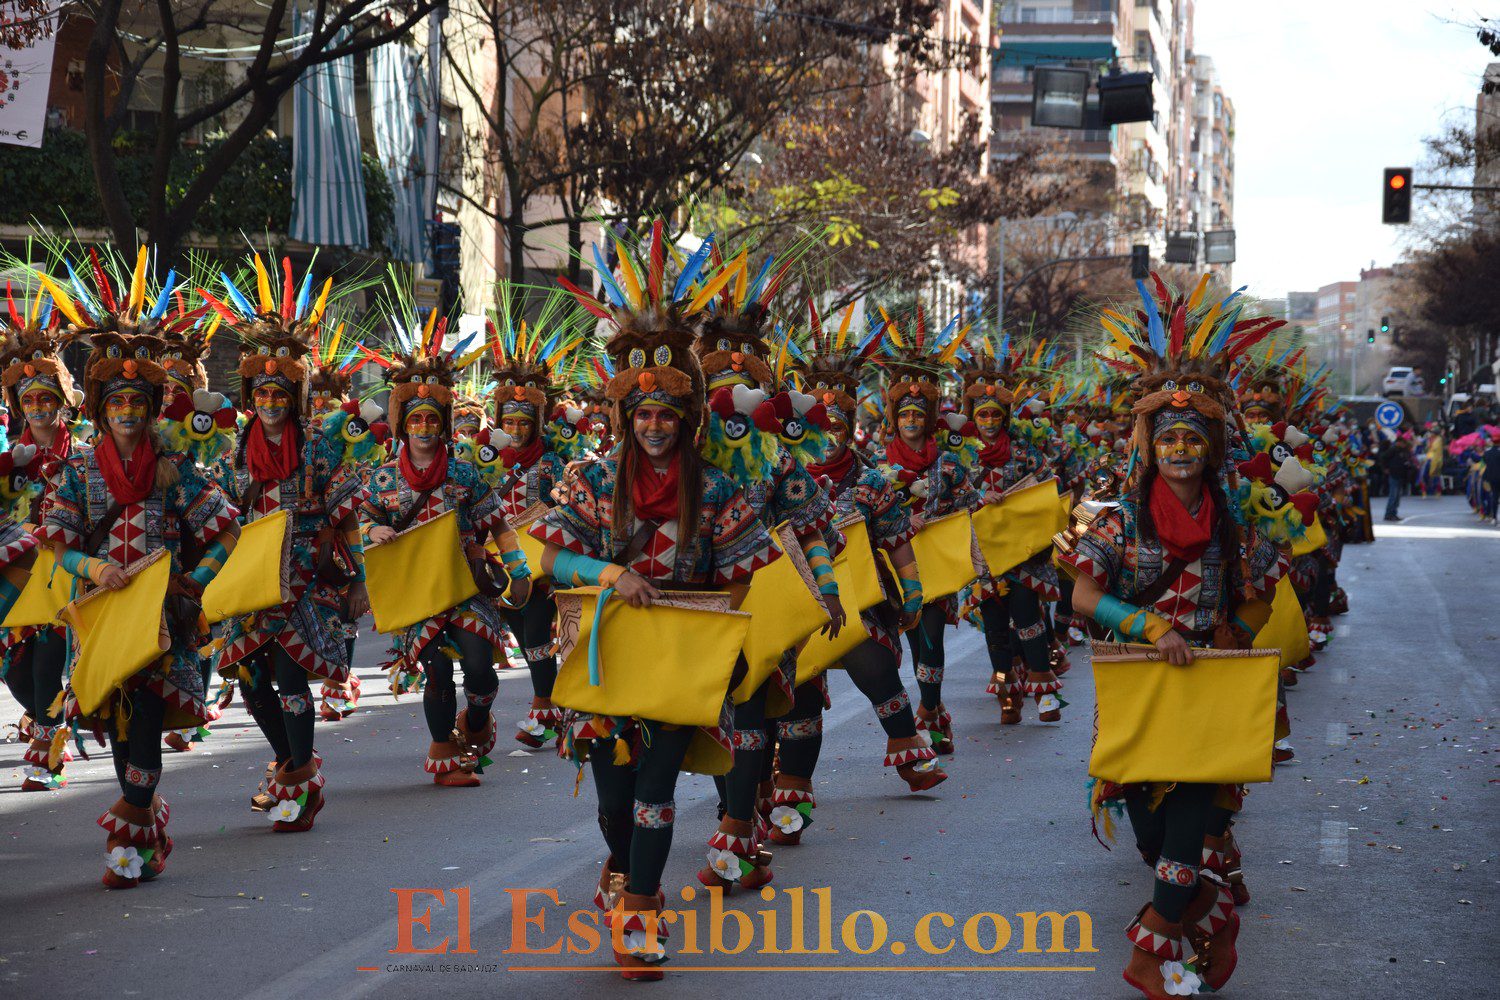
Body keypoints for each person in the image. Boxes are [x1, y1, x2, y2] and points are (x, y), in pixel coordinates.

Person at [545, 224, 777, 979]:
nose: (653, 426)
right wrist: (614, 576)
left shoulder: (718, 488)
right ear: (624, 418)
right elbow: (544, 554)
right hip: (607, 654)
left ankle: (640, 911)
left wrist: (719, 634)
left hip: (680, 661)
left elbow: (746, 570)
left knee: (655, 788)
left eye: (666, 416)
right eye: (641, 415)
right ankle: (626, 871)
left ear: (687, 419)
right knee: (614, 800)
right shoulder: (587, 480)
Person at [1060, 274, 1286, 997]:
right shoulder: (1120, 519)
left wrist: (1229, 634)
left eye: (1193, 437)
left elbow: (1263, 591)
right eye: (1170, 438)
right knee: (1155, 840)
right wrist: (1152, 627)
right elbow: (1084, 591)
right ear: (1150, 447)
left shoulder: (1237, 522)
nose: (1181, 449)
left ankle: (1148, 958)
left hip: (1209, 690)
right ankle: (1212, 919)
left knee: (1187, 832)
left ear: (1212, 446)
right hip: (1138, 687)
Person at [37, 258, 240, 889]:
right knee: (116, 722)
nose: (127, 410)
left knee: (146, 717)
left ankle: (129, 834)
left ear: (152, 409)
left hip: (161, 616)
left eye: (137, 401)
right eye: (117, 400)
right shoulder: (78, 472)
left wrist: (197, 580)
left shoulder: (176, 468)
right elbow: (54, 541)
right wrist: (95, 565)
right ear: (101, 411)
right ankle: (145, 822)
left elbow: (226, 531)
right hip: (99, 614)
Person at [209, 255, 368, 831]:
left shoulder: (321, 447)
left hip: (305, 577)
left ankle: (301, 778)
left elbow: (347, 514)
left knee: (292, 676)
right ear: (253, 397)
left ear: (294, 399)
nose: (272, 405)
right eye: (264, 396)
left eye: (281, 396)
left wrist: (360, 580)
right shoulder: (234, 450)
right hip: (251, 576)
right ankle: (286, 760)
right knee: (249, 676)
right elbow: (222, 517)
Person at [358, 323, 531, 785]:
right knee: (435, 672)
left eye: (432, 420)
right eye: (415, 420)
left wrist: (518, 569)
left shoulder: (463, 473)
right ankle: (445, 756)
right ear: (402, 425)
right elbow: (360, 521)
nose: (424, 428)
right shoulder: (381, 479)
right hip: (415, 591)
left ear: (444, 424)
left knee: (479, 669)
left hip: (465, 587)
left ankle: (475, 721)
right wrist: (373, 529)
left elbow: (498, 522)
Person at [1381, 435, 1416, 522]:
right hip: (1394, 474)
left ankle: (1394, 513)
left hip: (1400, 475)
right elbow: (1383, 458)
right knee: (1393, 495)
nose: (1404, 445)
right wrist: (1385, 468)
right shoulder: (1393, 450)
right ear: (1399, 442)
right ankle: (1389, 514)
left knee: (1397, 497)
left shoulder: (1402, 450)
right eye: (1403, 443)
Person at [1481, 438, 1500, 524]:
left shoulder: (1487, 453)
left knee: (1494, 496)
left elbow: (1484, 462)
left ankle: (1494, 517)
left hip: (1491, 477)